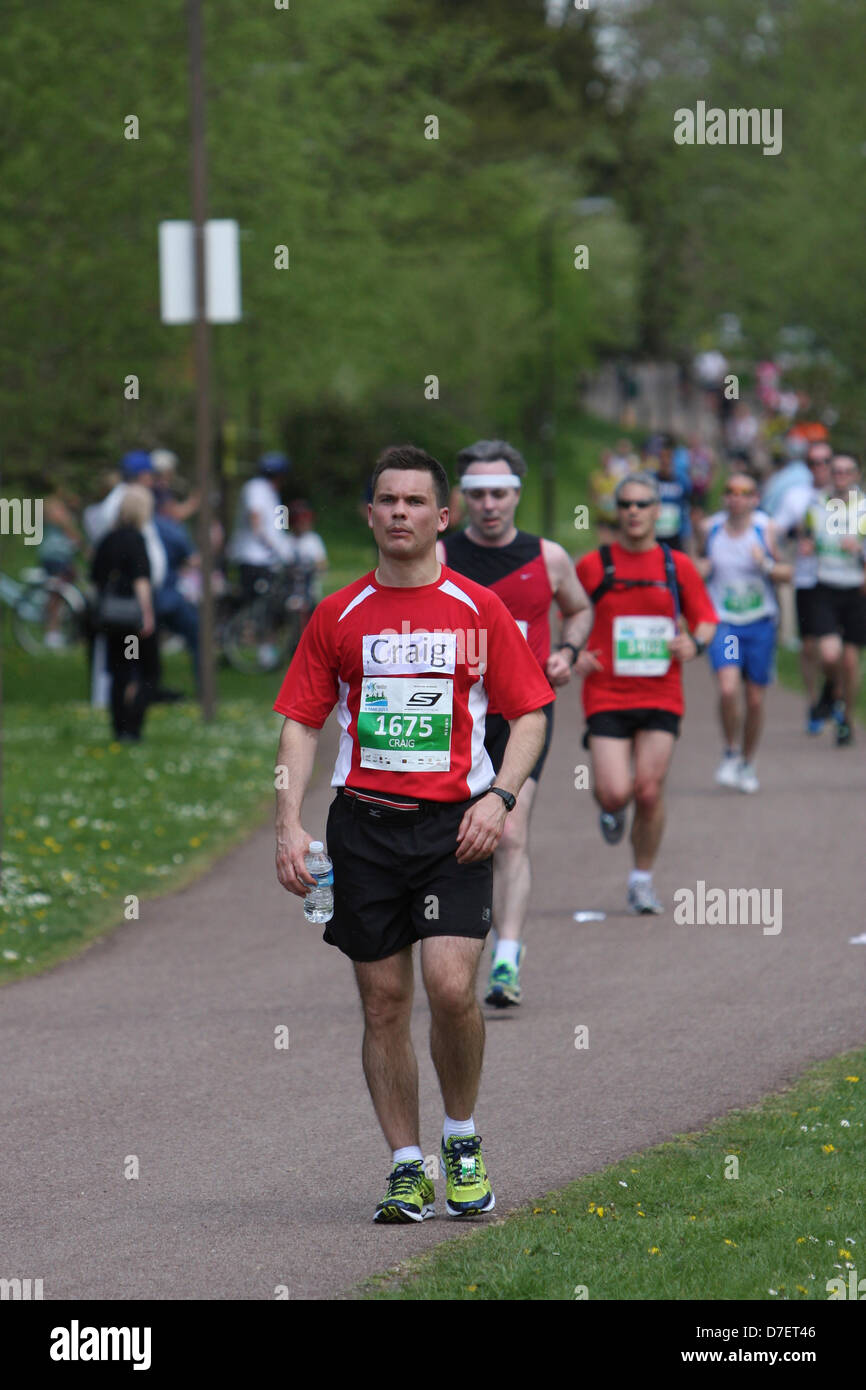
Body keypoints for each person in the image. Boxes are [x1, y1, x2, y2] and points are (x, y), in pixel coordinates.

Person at [273, 444, 553, 1223]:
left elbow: (528, 711)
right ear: (369, 514)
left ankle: (460, 1138)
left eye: (414, 502)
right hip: (363, 827)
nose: (399, 513)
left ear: (442, 516)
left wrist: (499, 797)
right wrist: (287, 822)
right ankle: (405, 1164)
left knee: (452, 988)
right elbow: (300, 720)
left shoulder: (476, 608)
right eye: (386, 501)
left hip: (453, 827)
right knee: (384, 1002)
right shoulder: (339, 615)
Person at [438, 438, 592, 1007]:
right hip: (460, 717)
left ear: (517, 494)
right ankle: (446, 950)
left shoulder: (549, 557)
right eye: (476, 493)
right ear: (461, 498)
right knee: (446, 837)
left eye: (499, 492)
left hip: (525, 713)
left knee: (510, 832)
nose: (488, 503)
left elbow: (578, 609)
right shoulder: (441, 557)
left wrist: (568, 654)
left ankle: (506, 959)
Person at [575, 472, 717, 915]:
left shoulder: (677, 566)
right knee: (617, 791)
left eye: (642, 505)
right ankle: (611, 807)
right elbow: (571, 615)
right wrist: (574, 652)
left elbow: (706, 619)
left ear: (658, 511)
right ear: (617, 513)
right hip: (607, 693)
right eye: (626, 505)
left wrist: (695, 643)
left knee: (650, 791)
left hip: (661, 692)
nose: (633, 512)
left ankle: (641, 880)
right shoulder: (594, 566)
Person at [697, 473, 790, 793]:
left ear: (754, 498)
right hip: (727, 624)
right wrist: (701, 569)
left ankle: (748, 762)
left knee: (753, 698)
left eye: (744, 492)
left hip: (759, 623)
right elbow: (699, 565)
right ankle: (730, 752)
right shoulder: (710, 529)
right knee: (727, 688)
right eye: (730, 491)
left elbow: (786, 573)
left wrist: (764, 564)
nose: (736, 497)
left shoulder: (766, 529)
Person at [800, 453, 866, 746]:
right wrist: (806, 543)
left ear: (856, 475)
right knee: (828, 654)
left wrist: (860, 551)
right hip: (825, 586)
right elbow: (805, 535)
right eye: (835, 470)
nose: (839, 475)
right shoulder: (816, 505)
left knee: (850, 661)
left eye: (846, 471)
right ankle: (831, 691)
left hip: (856, 591)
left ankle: (846, 718)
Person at [770, 440, 833, 731]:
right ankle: (813, 703)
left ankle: (835, 698)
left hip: (839, 583)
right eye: (813, 462)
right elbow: (775, 528)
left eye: (824, 461)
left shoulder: (850, 497)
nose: (819, 468)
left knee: (835, 649)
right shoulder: (797, 496)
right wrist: (779, 553)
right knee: (809, 647)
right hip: (807, 580)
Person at [90, 486, 158, 742]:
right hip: (133, 622)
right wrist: (147, 613)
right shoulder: (136, 539)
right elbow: (141, 580)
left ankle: (119, 728)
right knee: (147, 672)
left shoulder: (108, 539)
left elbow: (96, 578)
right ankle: (133, 725)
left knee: (119, 673)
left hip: (112, 619)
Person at [227, 452, 293, 599]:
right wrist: (271, 545)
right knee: (255, 603)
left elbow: (277, 527)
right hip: (254, 556)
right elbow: (255, 518)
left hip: (267, 558)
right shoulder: (256, 487)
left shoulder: (271, 493)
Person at [648, 434, 691, 553]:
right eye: (662, 458)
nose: (665, 461)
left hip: (676, 533)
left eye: (668, 457)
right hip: (655, 532)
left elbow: (688, 502)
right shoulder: (650, 480)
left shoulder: (682, 480)